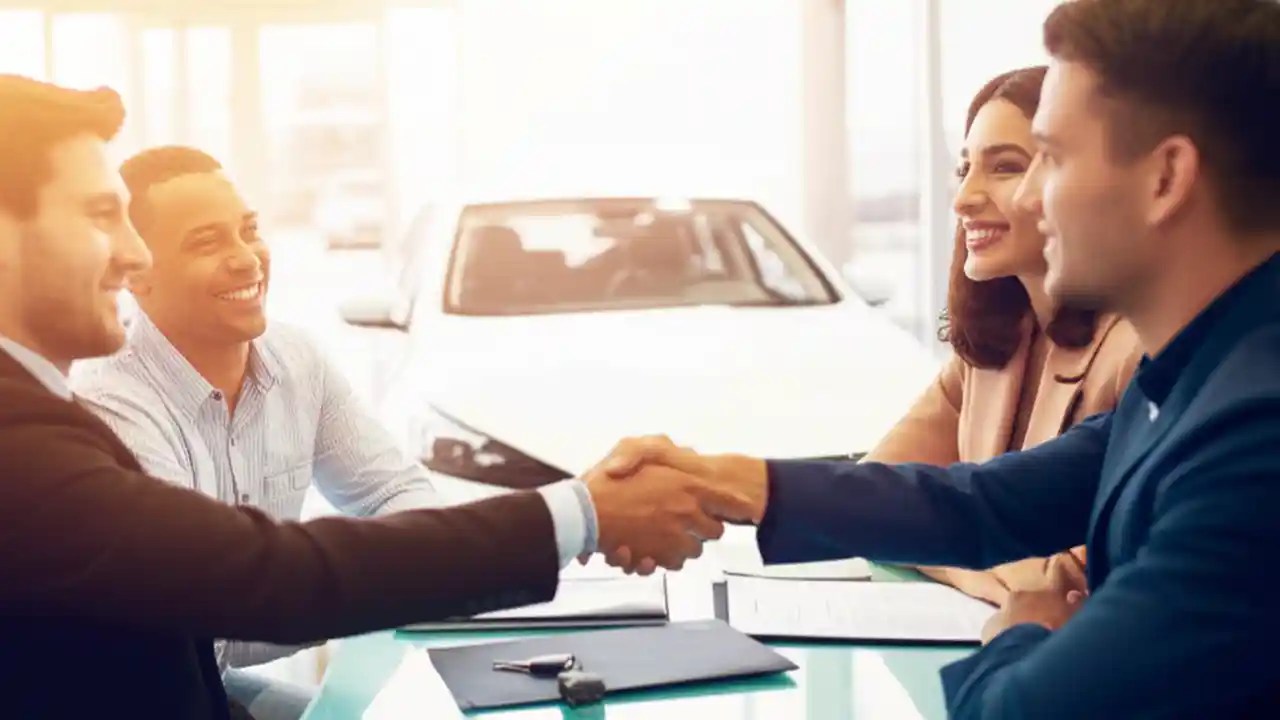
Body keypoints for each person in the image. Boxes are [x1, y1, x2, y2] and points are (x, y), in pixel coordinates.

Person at [605, 0, 1280, 716]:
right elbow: (979, 503)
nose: (1027, 198)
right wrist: (728, 482)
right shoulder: (1194, 377)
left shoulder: (1253, 445)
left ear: (1165, 178)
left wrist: (1017, 634)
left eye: (1048, 157)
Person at [0, 74, 743, 719]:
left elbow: (382, 499)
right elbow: (253, 581)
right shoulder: (27, 442)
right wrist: (582, 513)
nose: (129, 255)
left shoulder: (46, 410)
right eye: (101, 217)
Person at [69, 145, 460, 717]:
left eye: (248, 231)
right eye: (207, 243)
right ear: (138, 274)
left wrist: (406, 565)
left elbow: (396, 495)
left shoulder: (296, 359)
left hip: (214, 685)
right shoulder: (110, 404)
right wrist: (381, 582)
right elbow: (208, 619)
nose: (246, 259)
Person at [865, 65, 1141, 606]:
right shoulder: (996, 344)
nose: (964, 198)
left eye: (1005, 168)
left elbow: (1066, 582)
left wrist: (943, 548)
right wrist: (976, 568)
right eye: (965, 168)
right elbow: (875, 500)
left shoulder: (1139, 352)